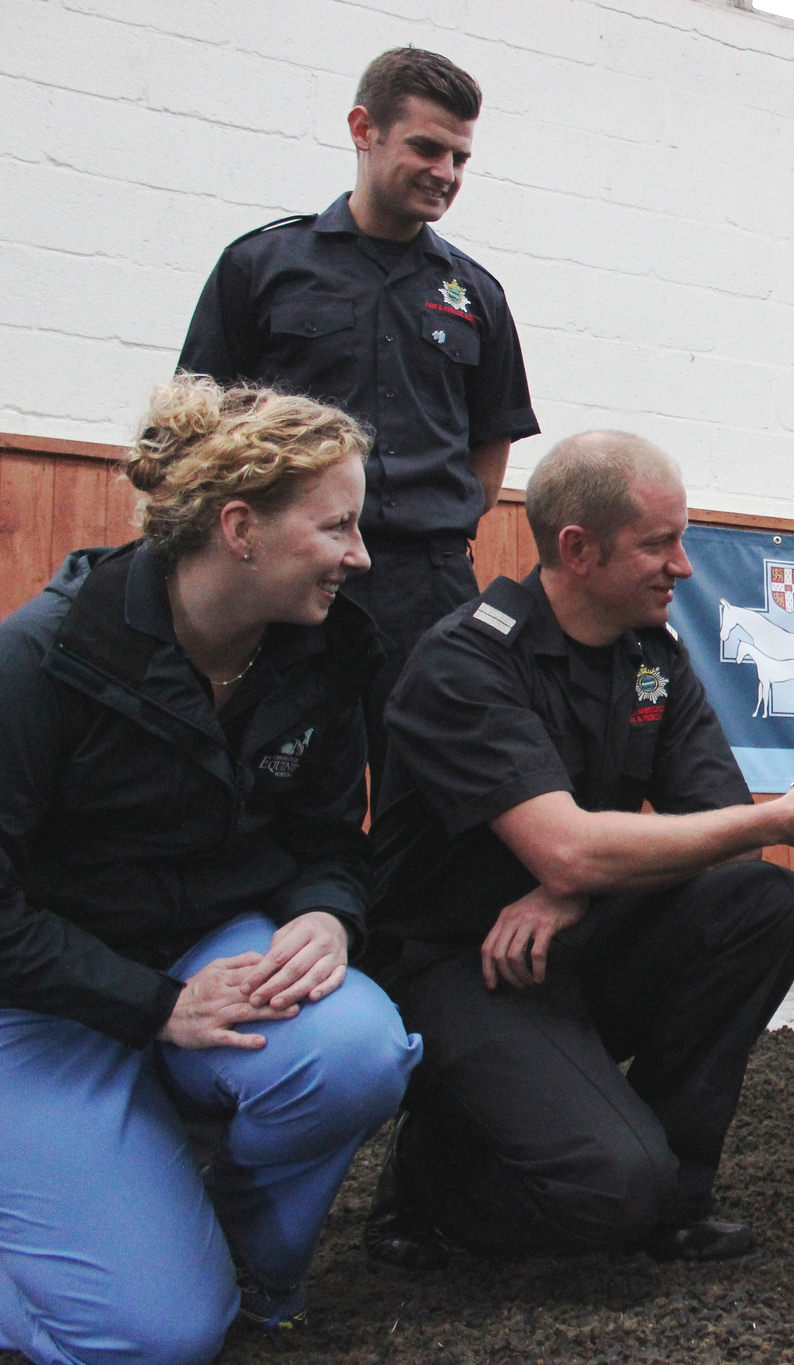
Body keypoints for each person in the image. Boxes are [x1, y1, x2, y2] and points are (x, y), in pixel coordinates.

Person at [362, 431, 794, 1270]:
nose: (683, 565)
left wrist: (573, 888)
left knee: (767, 905)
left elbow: (717, 840)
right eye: (658, 543)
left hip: (564, 936)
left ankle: (677, 1195)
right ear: (578, 549)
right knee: (610, 1195)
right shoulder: (464, 663)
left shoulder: (652, 660)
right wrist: (775, 818)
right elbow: (579, 847)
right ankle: (433, 1178)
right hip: (456, 964)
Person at [0, 376, 420, 1362]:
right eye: (338, 527)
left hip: (203, 952)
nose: (360, 556)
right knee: (154, 1338)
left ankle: (242, 1267)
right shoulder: (39, 661)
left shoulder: (321, 654)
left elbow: (328, 840)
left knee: (357, 1048)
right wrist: (156, 1006)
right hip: (43, 994)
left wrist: (327, 914)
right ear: (240, 529)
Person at [178, 46, 539, 790]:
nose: (446, 172)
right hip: (286, 574)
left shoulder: (476, 294)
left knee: (435, 794)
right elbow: (201, 432)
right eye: (427, 147)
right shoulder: (262, 266)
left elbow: (489, 449)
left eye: (461, 158)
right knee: (275, 783)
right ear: (363, 129)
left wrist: (430, 534)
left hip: (427, 585)